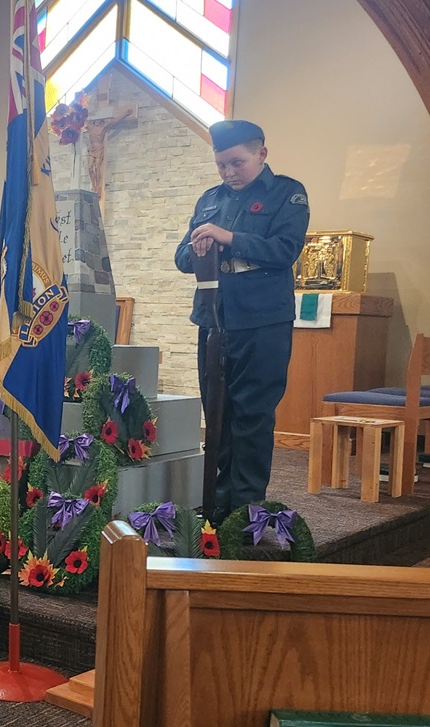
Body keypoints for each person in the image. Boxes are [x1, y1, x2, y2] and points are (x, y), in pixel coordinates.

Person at [174, 120, 310, 525]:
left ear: (261, 154)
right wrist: (199, 245)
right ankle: (216, 505)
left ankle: (246, 510)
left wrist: (227, 237)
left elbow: (285, 249)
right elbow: (182, 258)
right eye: (221, 165)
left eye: (237, 163)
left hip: (262, 322)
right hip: (214, 319)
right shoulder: (210, 199)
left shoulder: (287, 193)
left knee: (252, 413)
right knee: (216, 411)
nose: (229, 173)